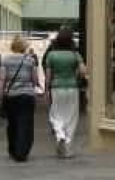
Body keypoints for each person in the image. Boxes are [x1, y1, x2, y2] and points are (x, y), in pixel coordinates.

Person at [44, 26, 87, 158]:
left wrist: (46, 90)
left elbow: (48, 76)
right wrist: (76, 74)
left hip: (56, 87)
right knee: (71, 117)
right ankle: (67, 148)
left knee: (55, 114)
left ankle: (60, 135)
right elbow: (83, 71)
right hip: (72, 87)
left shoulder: (51, 55)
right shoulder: (75, 55)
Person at [0, 35, 39, 162]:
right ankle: (22, 151)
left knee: (13, 123)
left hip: (11, 96)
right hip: (27, 96)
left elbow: (1, 80)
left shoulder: (5, 60)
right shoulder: (30, 60)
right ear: (24, 47)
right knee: (25, 123)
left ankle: (13, 149)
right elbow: (34, 80)